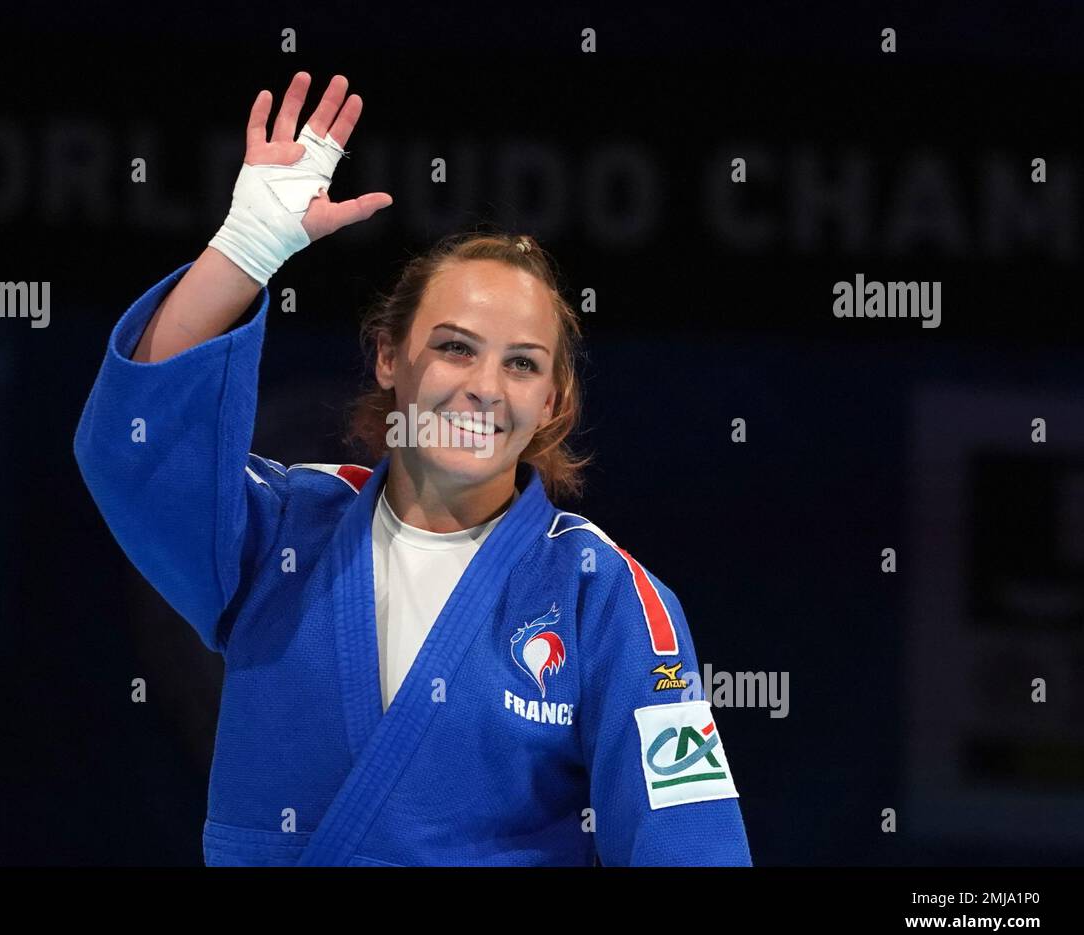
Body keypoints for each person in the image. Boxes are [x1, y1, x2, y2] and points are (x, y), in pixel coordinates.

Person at [74, 71, 752, 866]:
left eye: (523, 365)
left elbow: (693, 848)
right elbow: (137, 450)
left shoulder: (607, 599)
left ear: (554, 400)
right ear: (389, 356)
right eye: (455, 347)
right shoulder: (282, 531)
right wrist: (243, 251)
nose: (484, 388)